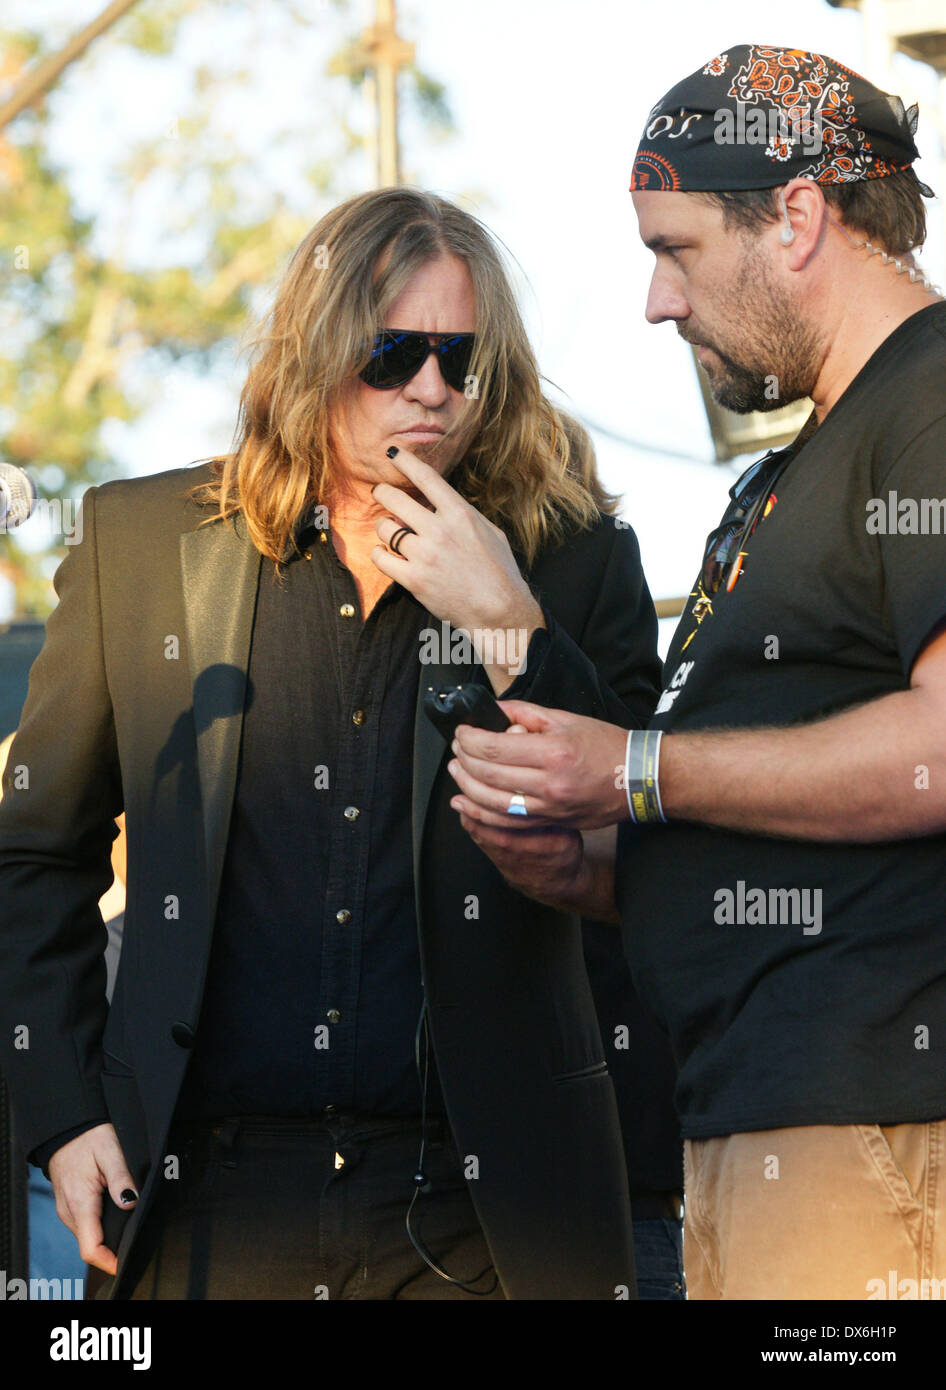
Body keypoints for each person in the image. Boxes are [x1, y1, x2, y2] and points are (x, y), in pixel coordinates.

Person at [0, 187, 676, 1300]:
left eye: (461, 360)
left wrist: (509, 623)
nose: (430, 388)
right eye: (392, 351)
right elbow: (35, 856)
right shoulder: (137, 543)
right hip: (203, 1195)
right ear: (314, 353)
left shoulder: (572, 563)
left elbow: (639, 837)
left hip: (480, 1212)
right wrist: (63, 1111)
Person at [449, 44, 946, 1300]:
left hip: (870, 1120)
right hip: (756, 1127)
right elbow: (752, 806)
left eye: (673, 250)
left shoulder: (932, 399)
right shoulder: (797, 464)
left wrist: (628, 768)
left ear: (794, 216)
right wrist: (600, 866)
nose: (656, 304)